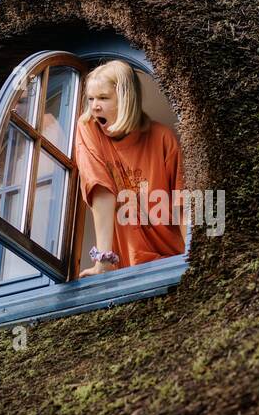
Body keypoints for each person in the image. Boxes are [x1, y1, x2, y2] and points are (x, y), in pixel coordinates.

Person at [75, 60, 185, 276]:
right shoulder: (88, 128)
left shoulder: (162, 138)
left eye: (103, 98)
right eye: (91, 99)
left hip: (171, 260)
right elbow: (100, 188)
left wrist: (194, 256)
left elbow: (183, 203)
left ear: (126, 99)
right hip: (127, 270)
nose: (95, 106)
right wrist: (103, 259)